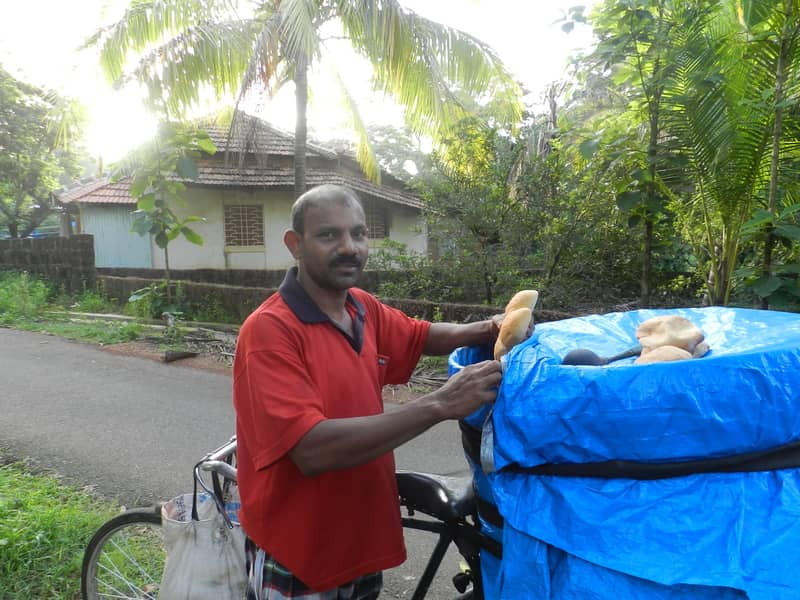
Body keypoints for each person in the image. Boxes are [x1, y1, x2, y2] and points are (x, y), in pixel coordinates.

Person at [233, 184, 506, 600]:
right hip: (301, 547)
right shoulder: (270, 330)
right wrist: (440, 403)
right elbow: (312, 449)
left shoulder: (360, 306)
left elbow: (420, 335)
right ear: (295, 244)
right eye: (329, 235)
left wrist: (489, 328)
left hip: (360, 535)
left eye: (358, 234)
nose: (349, 247)